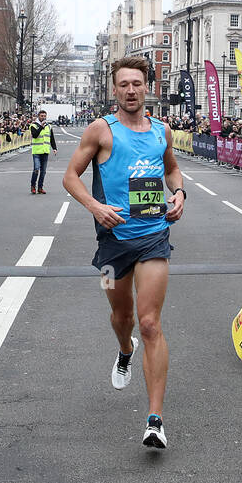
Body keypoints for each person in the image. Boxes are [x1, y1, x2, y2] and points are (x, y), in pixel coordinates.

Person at [63, 56, 184, 450]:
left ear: (147, 87)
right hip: (112, 242)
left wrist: (179, 193)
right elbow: (70, 177)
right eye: (123, 85)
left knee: (149, 323)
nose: (131, 91)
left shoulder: (162, 130)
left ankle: (155, 421)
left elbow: (172, 170)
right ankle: (124, 349)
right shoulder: (101, 129)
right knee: (122, 317)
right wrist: (95, 207)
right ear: (114, 89)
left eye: (137, 83)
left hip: (154, 235)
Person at [30, 110, 57, 194]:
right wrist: (41, 127)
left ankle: (40, 187)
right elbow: (35, 135)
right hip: (37, 151)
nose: (43, 117)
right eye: (42, 116)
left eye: (44, 116)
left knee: (43, 171)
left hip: (45, 151)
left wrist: (54, 148)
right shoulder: (33, 125)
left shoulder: (48, 126)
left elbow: (51, 138)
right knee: (36, 169)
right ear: (38, 116)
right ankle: (33, 186)